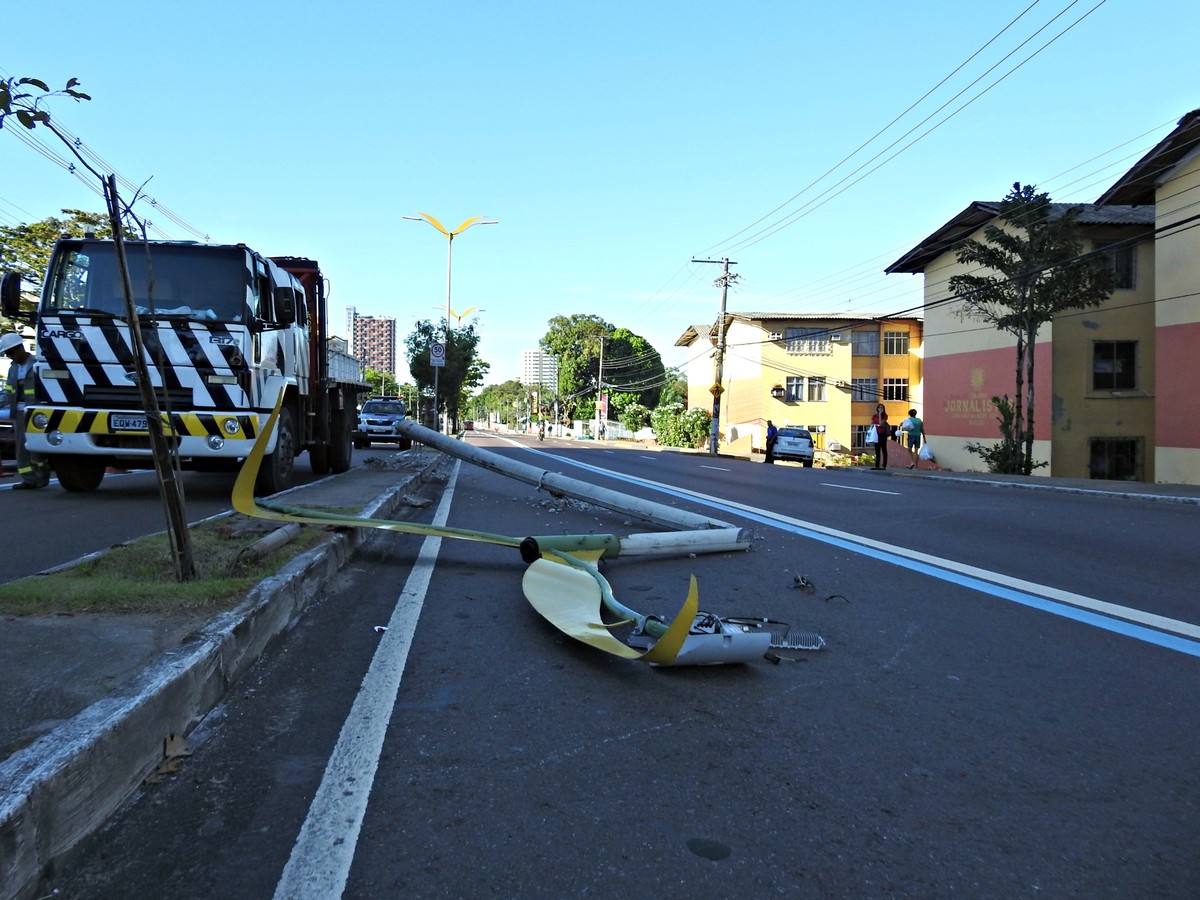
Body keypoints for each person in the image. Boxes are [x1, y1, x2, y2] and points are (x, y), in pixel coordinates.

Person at [0, 333, 50, 489]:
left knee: (36, 447)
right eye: (7, 354)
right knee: (21, 448)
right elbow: (8, 393)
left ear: (20, 348)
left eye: (11, 352)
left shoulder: (37, 364)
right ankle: (28, 480)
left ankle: (42, 475)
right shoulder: (13, 368)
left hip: (36, 412)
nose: (10, 356)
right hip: (19, 413)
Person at [870, 403, 890, 470]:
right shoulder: (874, 416)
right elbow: (872, 424)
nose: (880, 409)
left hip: (882, 434)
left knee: (883, 449)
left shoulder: (885, 416)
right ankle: (877, 465)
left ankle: (884, 465)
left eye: (882, 407)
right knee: (877, 450)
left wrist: (880, 415)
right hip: (876, 434)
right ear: (877, 409)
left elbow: (881, 423)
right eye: (879, 407)